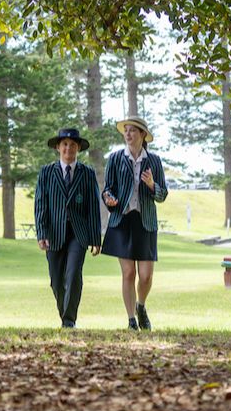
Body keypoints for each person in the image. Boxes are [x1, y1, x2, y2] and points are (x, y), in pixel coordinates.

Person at [101, 116, 169, 330]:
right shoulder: (114, 158)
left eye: (133, 131)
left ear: (142, 135)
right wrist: (109, 199)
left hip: (145, 222)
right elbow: (107, 190)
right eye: (126, 130)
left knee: (146, 276)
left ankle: (141, 306)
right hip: (122, 220)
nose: (128, 134)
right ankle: (131, 320)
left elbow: (162, 195)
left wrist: (151, 185)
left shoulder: (154, 160)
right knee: (128, 273)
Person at [33, 127, 102, 328]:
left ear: (78, 148)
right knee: (56, 280)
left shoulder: (87, 174)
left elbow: (93, 207)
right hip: (53, 233)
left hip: (78, 234)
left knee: (73, 275)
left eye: (72, 145)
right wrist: (42, 233)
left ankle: (69, 321)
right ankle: (65, 315)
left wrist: (95, 238)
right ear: (58, 147)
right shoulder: (46, 173)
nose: (68, 148)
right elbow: (40, 205)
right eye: (64, 144)